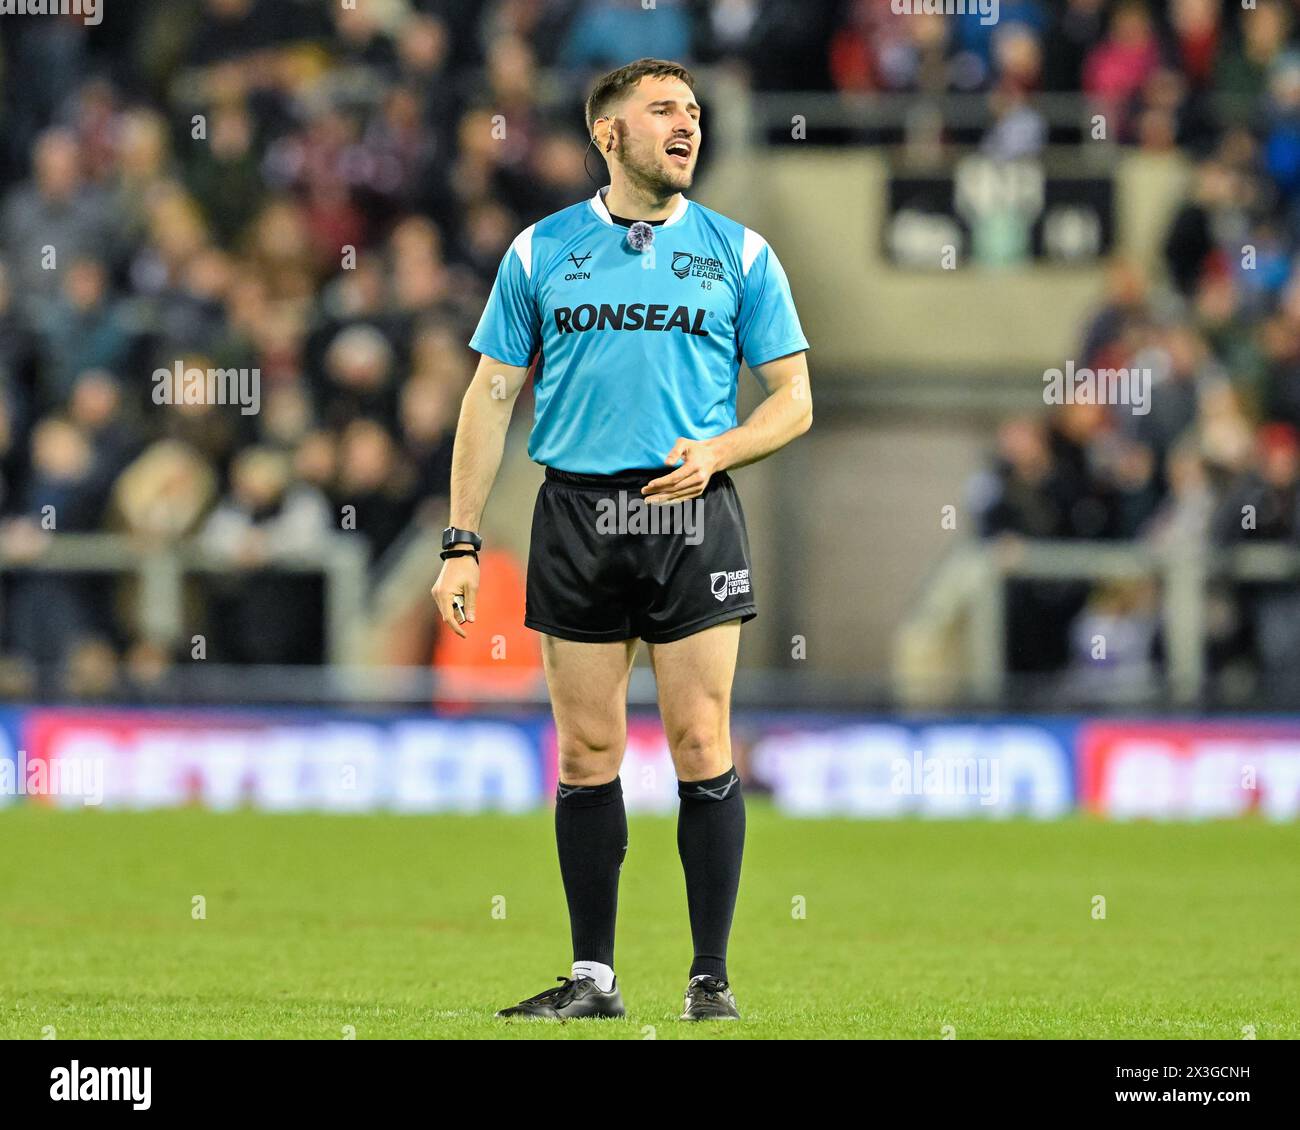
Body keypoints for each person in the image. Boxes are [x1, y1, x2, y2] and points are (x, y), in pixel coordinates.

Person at [430, 58, 812, 1022]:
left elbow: (796, 401)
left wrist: (720, 448)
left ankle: (710, 980)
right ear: (610, 135)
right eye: (662, 111)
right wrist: (461, 541)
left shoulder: (740, 252)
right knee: (587, 750)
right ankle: (593, 979)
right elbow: (490, 396)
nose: (686, 125)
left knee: (699, 737)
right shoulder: (540, 250)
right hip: (577, 515)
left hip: (689, 516)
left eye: (692, 110)